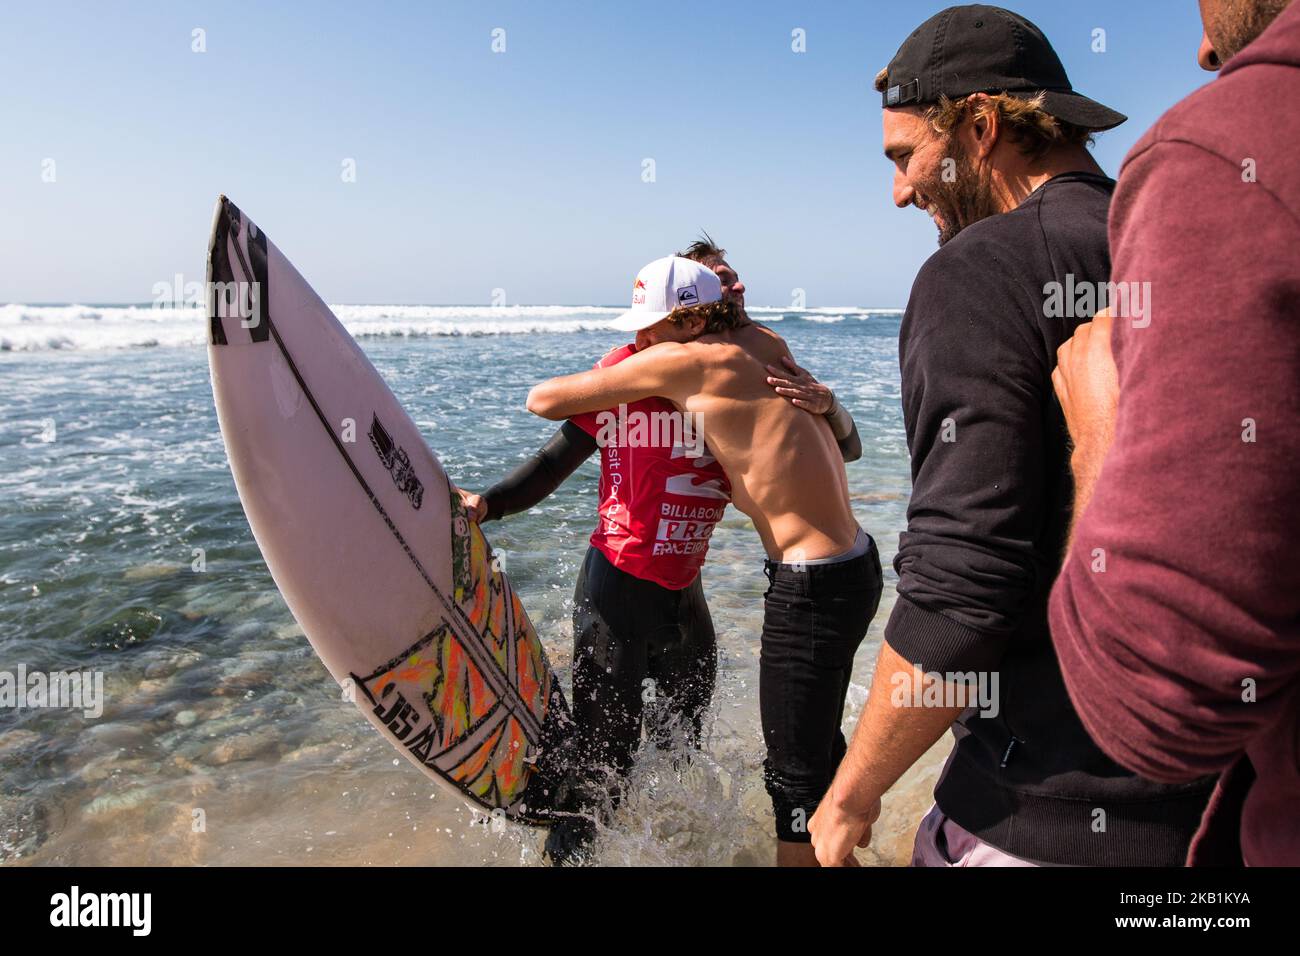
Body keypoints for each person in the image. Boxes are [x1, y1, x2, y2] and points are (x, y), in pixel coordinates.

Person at [807, 4, 1214, 868]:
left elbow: (963, 589)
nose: (899, 191)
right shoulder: (1181, 242)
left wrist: (852, 794)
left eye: (905, 156)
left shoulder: (981, 271)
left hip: (1042, 814)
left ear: (981, 128)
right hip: (1222, 811)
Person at [459, 244, 862, 864]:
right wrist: (489, 505)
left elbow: (830, 452)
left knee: (681, 748)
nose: (737, 291)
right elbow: (553, 460)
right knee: (603, 763)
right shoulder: (631, 369)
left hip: (686, 593)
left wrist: (831, 404)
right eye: (723, 284)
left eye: (735, 283)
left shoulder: (751, 361)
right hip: (616, 586)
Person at [1049, 0, 1299, 866]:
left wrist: (1099, 434)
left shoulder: (1224, 148)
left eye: (904, 157)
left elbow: (1160, 707)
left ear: (976, 127)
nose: (1200, 48)